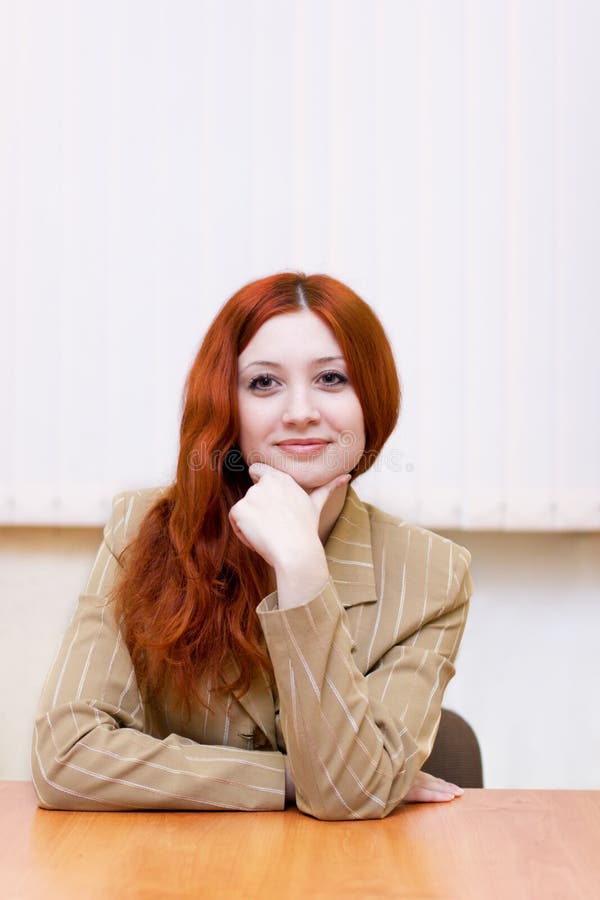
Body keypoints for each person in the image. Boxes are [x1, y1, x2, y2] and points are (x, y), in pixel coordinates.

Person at [32, 272, 473, 820]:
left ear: (372, 399)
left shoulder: (433, 574)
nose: (300, 411)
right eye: (264, 383)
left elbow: (349, 797)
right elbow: (67, 757)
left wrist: (303, 570)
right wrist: (289, 777)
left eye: (331, 378)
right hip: (174, 861)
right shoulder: (141, 528)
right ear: (227, 405)